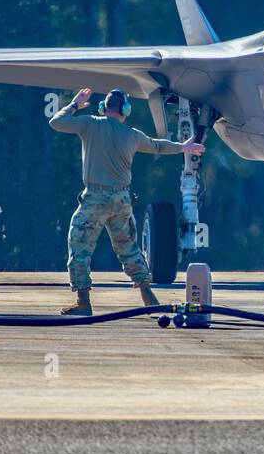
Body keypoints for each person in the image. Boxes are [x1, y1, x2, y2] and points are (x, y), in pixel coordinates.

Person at [49, 87, 205, 315]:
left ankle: (83, 302)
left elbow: (56, 122)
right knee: (129, 248)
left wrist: (75, 104)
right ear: (125, 110)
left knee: (79, 245)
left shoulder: (90, 124)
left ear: (104, 108)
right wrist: (184, 147)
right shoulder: (132, 135)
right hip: (121, 200)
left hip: (95, 197)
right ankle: (147, 294)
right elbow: (158, 145)